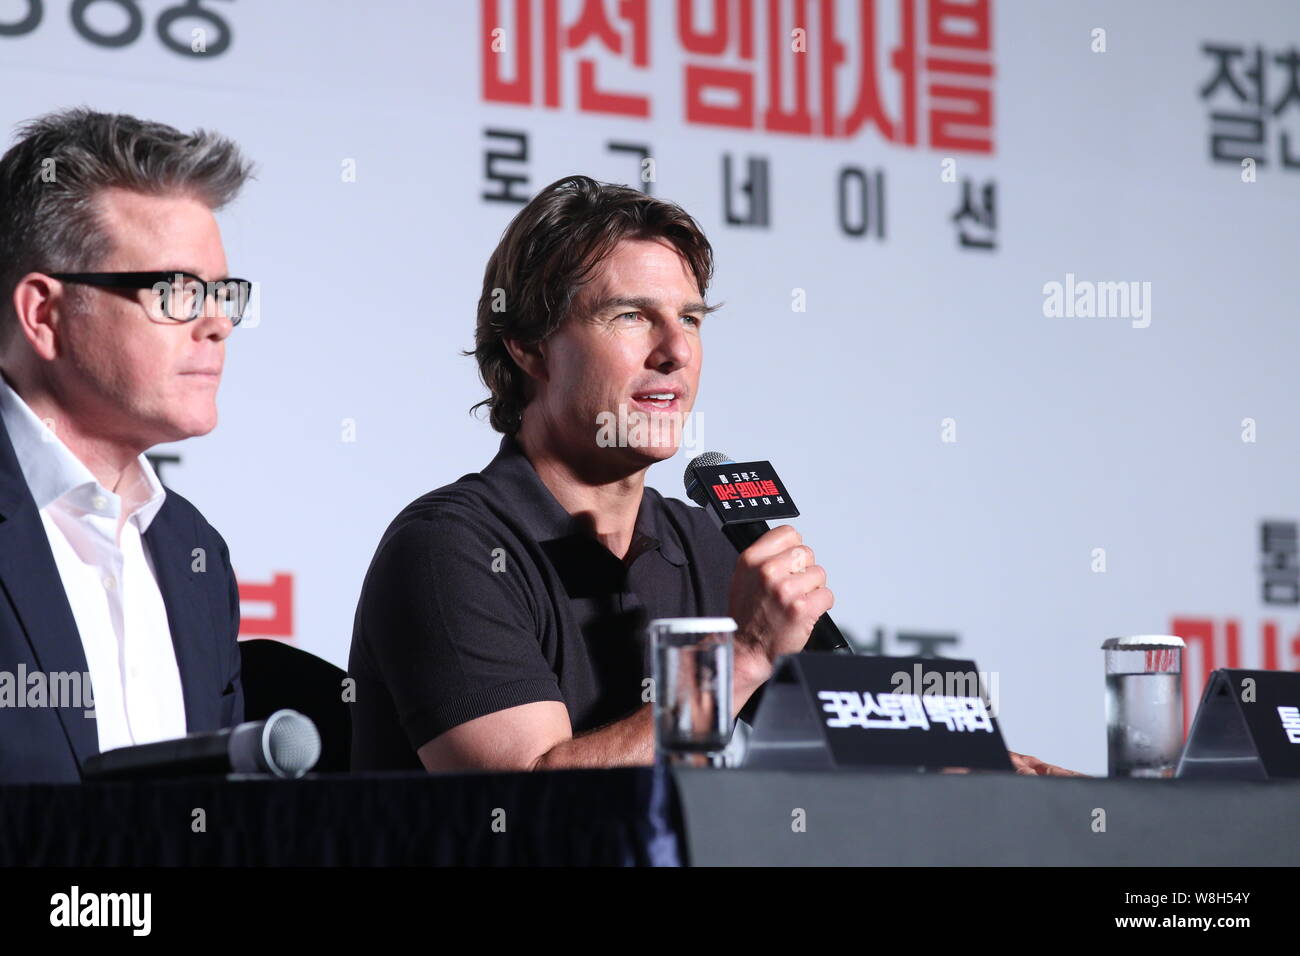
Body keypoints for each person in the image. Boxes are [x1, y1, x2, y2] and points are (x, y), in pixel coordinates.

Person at [350, 174, 1078, 777]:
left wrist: (985, 778)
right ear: (529, 348)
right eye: (631, 316)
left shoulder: (707, 539)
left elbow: (844, 752)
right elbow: (530, 802)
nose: (676, 351)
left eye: (691, 319)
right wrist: (744, 657)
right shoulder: (450, 549)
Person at [0, 109, 254, 783]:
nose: (219, 323)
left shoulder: (194, 551)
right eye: (176, 291)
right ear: (45, 315)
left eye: (222, 293)